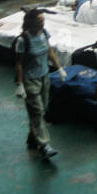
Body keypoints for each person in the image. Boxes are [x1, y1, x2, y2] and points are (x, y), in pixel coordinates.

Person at [14, 8, 61, 160]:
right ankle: (44, 145)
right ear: (31, 22)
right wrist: (19, 84)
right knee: (37, 111)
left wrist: (59, 68)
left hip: (44, 76)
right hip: (30, 80)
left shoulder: (43, 34)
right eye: (39, 21)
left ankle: (32, 137)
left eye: (43, 20)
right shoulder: (23, 40)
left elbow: (49, 51)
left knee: (42, 109)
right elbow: (19, 63)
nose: (42, 23)